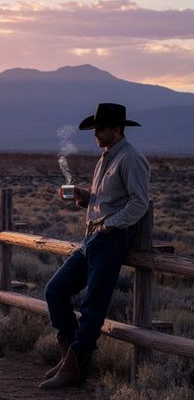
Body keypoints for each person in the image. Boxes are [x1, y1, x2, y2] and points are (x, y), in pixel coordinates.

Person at [39, 103, 150, 390]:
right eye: (95, 130)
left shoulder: (130, 159)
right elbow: (108, 200)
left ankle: (74, 365)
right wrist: (85, 197)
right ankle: (70, 359)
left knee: (93, 306)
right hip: (93, 238)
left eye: (100, 129)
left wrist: (111, 223)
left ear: (116, 129)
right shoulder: (106, 158)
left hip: (110, 239)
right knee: (56, 290)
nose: (96, 134)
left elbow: (139, 202)